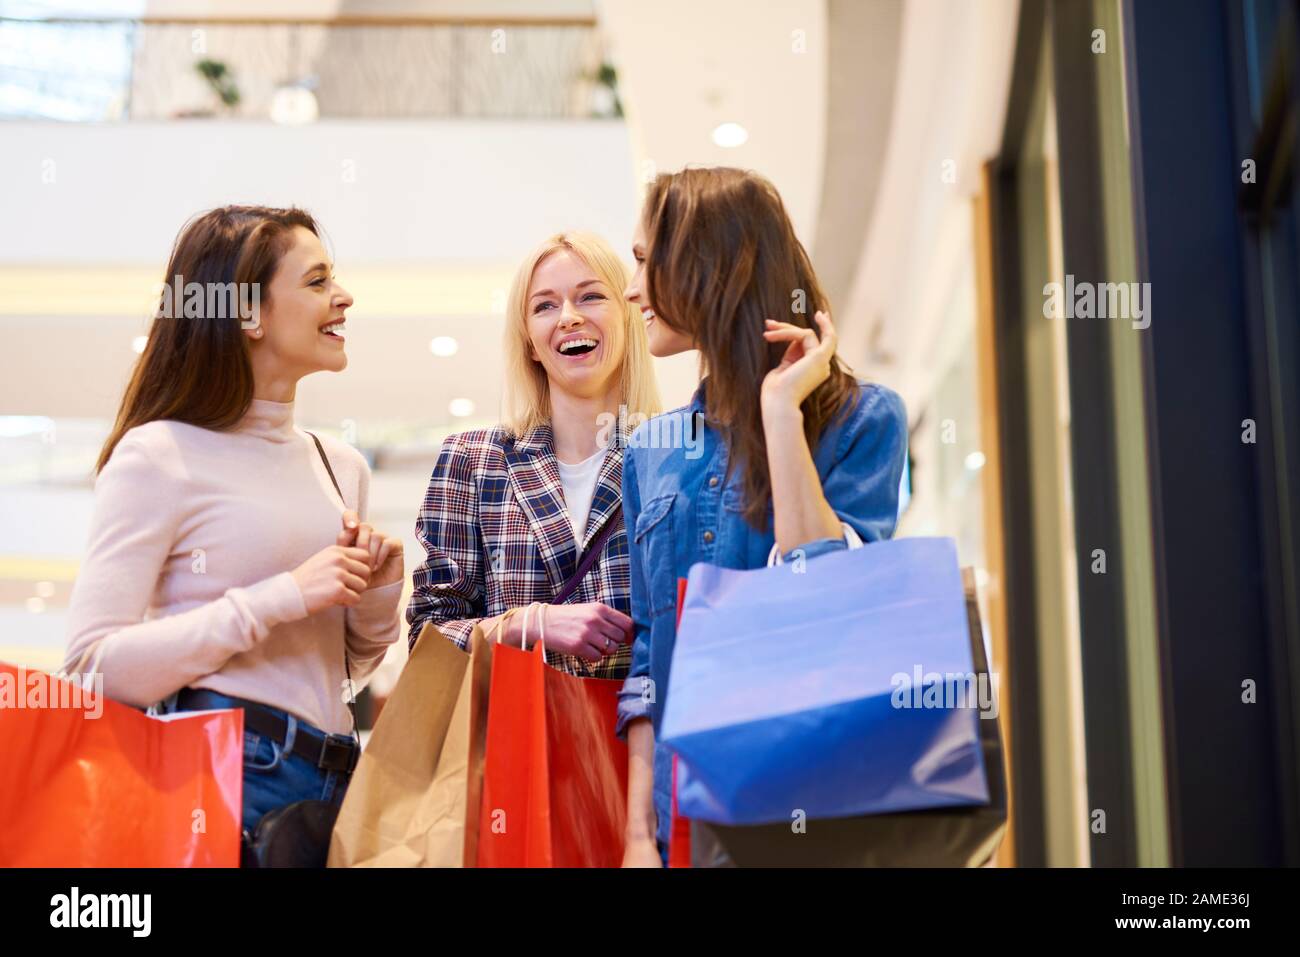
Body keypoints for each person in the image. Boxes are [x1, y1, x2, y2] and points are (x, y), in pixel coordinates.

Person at [63, 205, 404, 839]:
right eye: (317, 281)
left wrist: (378, 597)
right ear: (248, 312)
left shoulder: (342, 467)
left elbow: (342, 665)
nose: (344, 296)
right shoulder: (159, 455)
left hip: (338, 781)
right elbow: (90, 668)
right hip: (226, 772)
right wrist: (280, 597)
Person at [616, 168, 909, 866]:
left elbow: (828, 595)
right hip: (679, 821)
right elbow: (648, 656)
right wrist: (635, 837)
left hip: (811, 803)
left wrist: (781, 414)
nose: (631, 290)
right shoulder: (648, 450)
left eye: (642, 261)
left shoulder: (863, 420)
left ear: (706, 268)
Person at [406, 232, 661, 676]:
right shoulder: (474, 460)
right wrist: (529, 623)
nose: (568, 317)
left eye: (591, 297)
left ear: (629, 316)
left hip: (641, 732)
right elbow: (427, 639)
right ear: (529, 342)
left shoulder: (672, 454)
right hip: (515, 736)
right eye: (545, 305)